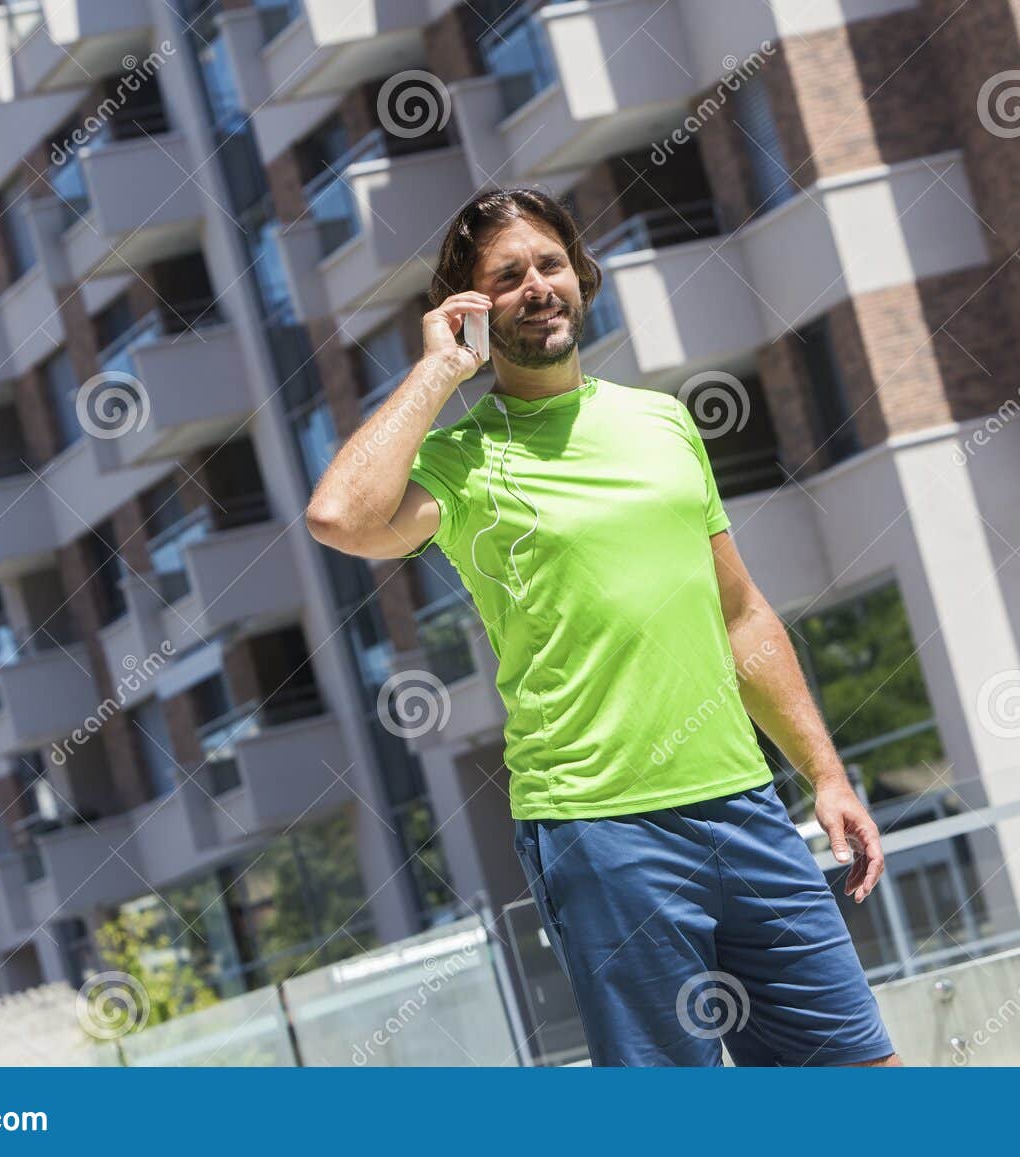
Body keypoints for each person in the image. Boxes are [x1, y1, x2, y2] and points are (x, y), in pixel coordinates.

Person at [306, 187, 901, 1067]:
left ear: (580, 276)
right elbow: (340, 518)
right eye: (506, 278)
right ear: (469, 310)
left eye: (548, 264)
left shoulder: (662, 423)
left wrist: (825, 772)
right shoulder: (460, 462)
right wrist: (438, 371)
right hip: (602, 830)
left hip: (743, 804)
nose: (536, 287)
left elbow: (741, 612)